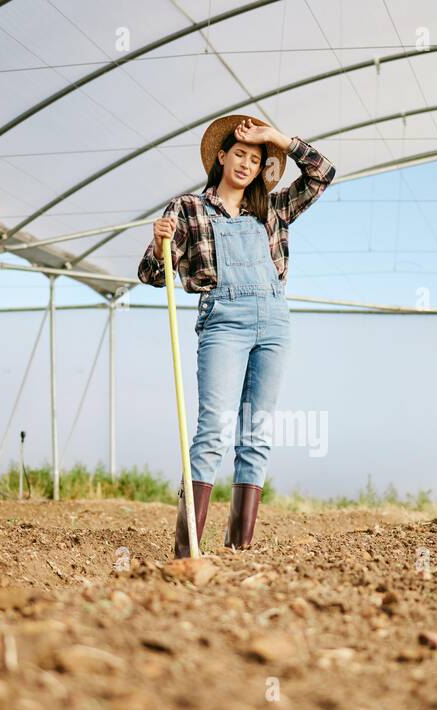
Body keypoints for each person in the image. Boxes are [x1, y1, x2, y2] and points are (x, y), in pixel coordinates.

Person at [138, 115, 334, 557]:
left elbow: (323, 173)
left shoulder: (274, 209)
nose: (246, 164)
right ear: (221, 156)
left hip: (274, 322)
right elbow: (152, 275)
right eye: (240, 154)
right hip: (223, 320)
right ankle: (187, 550)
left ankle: (238, 548)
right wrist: (159, 243)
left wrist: (275, 139)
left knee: (256, 433)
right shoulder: (187, 209)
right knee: (212, 430)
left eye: (255, 158)